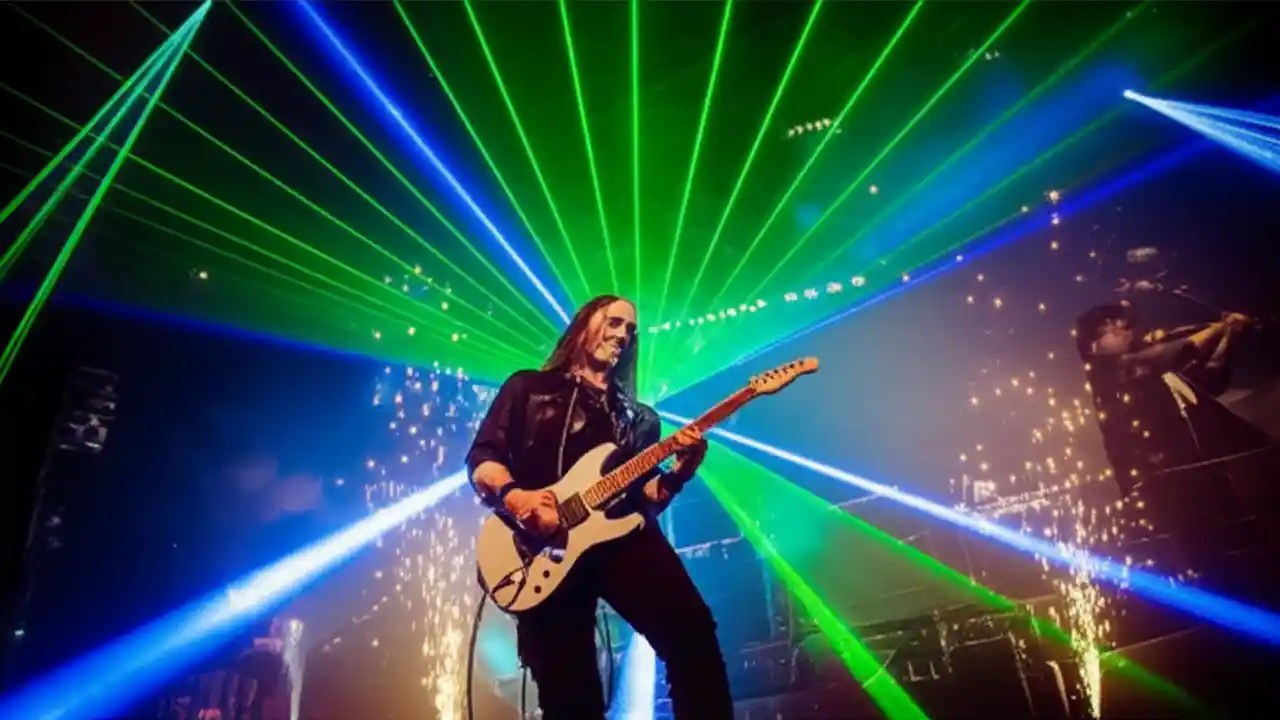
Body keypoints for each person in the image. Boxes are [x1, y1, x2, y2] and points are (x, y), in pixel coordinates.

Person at [466, 295, 733, 719]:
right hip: (540, 548)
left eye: (630, 330)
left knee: (693, 634)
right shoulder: (528, 389)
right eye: (614, 322)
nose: (623, 335)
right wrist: (519, 500)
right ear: (584, 323)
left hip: (619, 543)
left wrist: (680, 473)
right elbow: (483, 460)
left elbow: (644, 502)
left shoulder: (641, 420)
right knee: (571, 695)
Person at [1075, 302, 1253, 582]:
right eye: (1108, 330)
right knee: (1207, 569)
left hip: (1206, 478)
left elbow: (1212, 378)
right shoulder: (1111, 373)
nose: (1122, 331)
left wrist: (1231, 335)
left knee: (1243, 556)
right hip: (1167, 494)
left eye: (1121, 325)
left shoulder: (1154, 374)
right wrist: (1221, 327)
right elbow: (1178, 352)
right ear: (1093, 347)